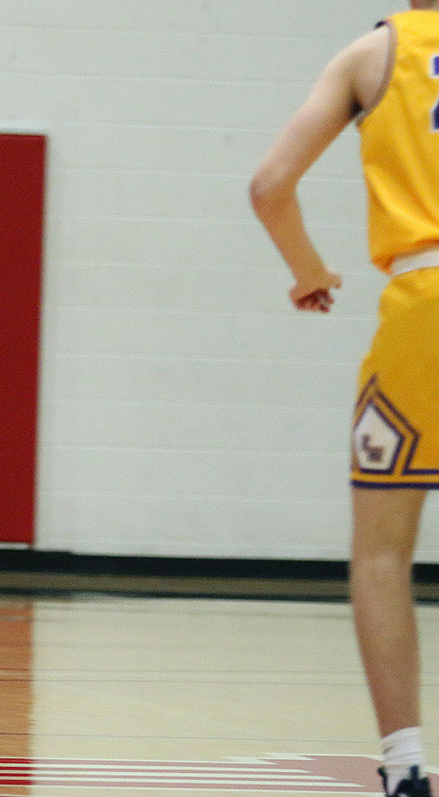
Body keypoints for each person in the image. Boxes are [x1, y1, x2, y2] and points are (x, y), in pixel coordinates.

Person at [251, 3, 439, 795]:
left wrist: (309, 271)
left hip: (425, 309)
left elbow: (270, 184)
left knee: (383, 553)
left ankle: (406, 764)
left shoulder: (374, 53)